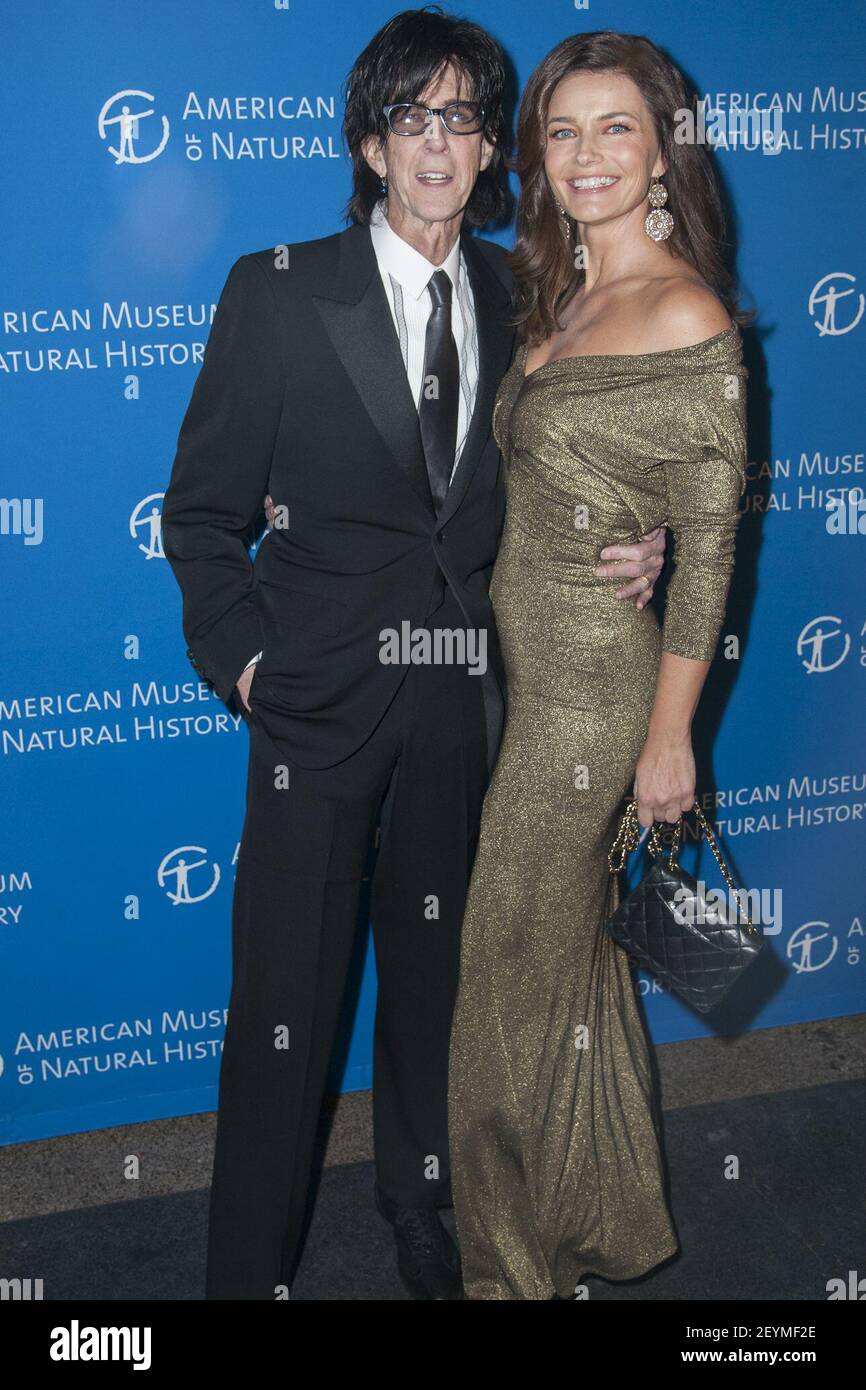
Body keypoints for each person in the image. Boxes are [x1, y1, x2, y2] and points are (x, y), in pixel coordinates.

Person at [162, 8, 666, 1301]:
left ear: (489, 145)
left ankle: (422, 1207)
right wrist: (254, 669)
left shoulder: (524, 293)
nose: (437, 143)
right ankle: (243, 1268)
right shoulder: (277, 292)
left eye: (460, 117)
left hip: (465, 709)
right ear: (368, 143)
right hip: (317, 714)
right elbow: (201, 515)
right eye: (410, 117)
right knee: (283, 1015)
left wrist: (636, 546)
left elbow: (565, 489)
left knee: (439, 995)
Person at [448, 30, 750, 1300]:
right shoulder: (555, 293)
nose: (583, 156)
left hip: (596, 706)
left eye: (613, 128)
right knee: (567, 974)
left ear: (663, 147)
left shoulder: (681, 307)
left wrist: (668, 741)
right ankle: (601, 1229)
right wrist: (638, 524)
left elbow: (716, 541)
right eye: (560, 132)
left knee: (497, 985)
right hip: (525, 685)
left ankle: (506, 1272)